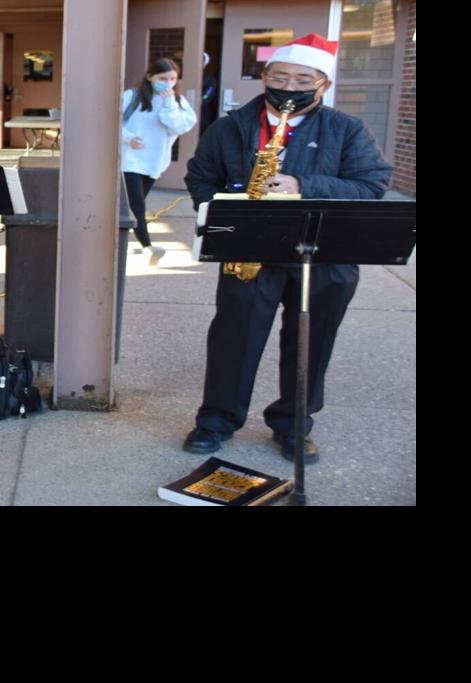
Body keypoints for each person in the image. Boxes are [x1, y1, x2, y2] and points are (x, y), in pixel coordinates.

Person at [181, 34, 391, 465]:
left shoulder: (347, 129)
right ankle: (216, 421)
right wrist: (221, 209)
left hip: (324, 257)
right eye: (279, 77)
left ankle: (294, 426)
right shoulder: (230, 127)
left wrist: (303, 185)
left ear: (323, 85)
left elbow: (371, 185)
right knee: (232, 341)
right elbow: (200, 177)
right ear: (264, 78)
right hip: (249, 252)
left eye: (301, 80)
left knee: (311, 343)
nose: (289, 87)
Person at [120, 57, 197, 266]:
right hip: (130, 159)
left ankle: (120, 238)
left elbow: (179, 126)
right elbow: (112, 121)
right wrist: (128, 138)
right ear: (150, 77)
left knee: (129, 206)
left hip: (154, 161)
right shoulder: (132, 96)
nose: (168, 82)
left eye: (173, 78)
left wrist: (169, 102)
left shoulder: (178, 101)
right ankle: (148, 247)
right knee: (136, 204)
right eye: (163, 78)